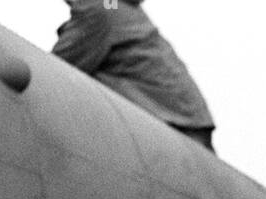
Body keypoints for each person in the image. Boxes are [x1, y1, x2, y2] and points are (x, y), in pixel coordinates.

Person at [53, 0, 216, 149]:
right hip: (184, 120)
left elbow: (56, 71)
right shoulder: (112, 4)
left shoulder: (101, 8)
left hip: (173, 127)